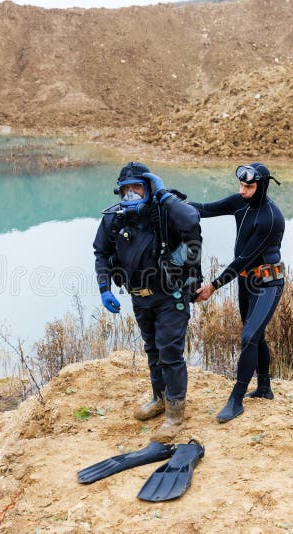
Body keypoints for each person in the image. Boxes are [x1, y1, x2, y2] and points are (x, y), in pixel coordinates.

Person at [94, 162, 202, 441]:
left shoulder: (166, 212)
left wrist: (162, 193)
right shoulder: (114, 219)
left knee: (169, 353)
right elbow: (101, 253)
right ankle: (160, 398)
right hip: (139, 298)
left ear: (149, 188)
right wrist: (104, 287)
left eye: (137, 188)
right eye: (125, 190)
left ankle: (175, 415)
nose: (130, 195)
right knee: (152, 350)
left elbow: (192, 222)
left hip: (170, 296)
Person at [191, 162, 285, 423]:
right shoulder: (239, 201)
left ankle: (236, 399)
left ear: (262, 186)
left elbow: (244, 258)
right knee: (256, 335)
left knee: (248, 337)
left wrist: (213, 286)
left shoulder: (271, 218)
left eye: (249, 187)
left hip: (267, 283)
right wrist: (172, 202)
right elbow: (205, 209)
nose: (243, 191)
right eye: (241, 185)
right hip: (245, 282)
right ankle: (264, 388)